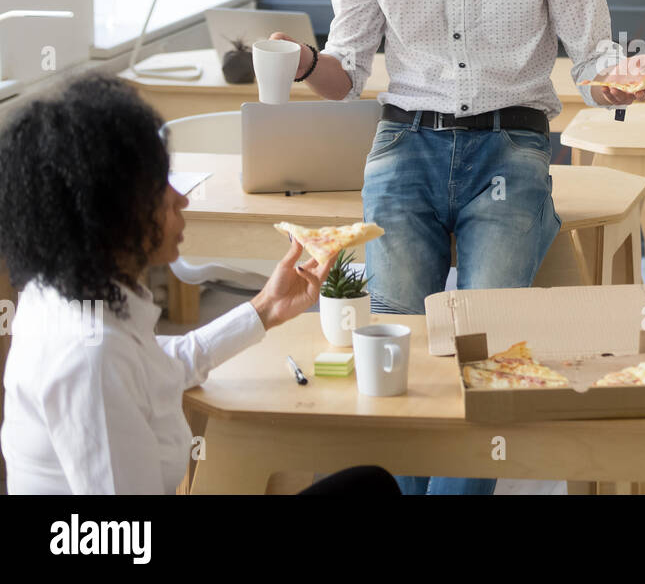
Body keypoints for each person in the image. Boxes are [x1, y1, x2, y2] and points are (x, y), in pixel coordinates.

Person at [270, 0, 645, 495]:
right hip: (404, 145)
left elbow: (593, 63)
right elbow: (346, 74)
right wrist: (302, 61)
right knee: (403, 350)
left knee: (484, 358)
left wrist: (622, 81)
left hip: (510, 149)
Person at [0, 73, 399, 495]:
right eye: (160, 188)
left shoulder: (62, 295)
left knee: (368, 483)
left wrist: (264, 309)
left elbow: (162, 368)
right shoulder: (91, 359)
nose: (182, 199)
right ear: (108, 215)